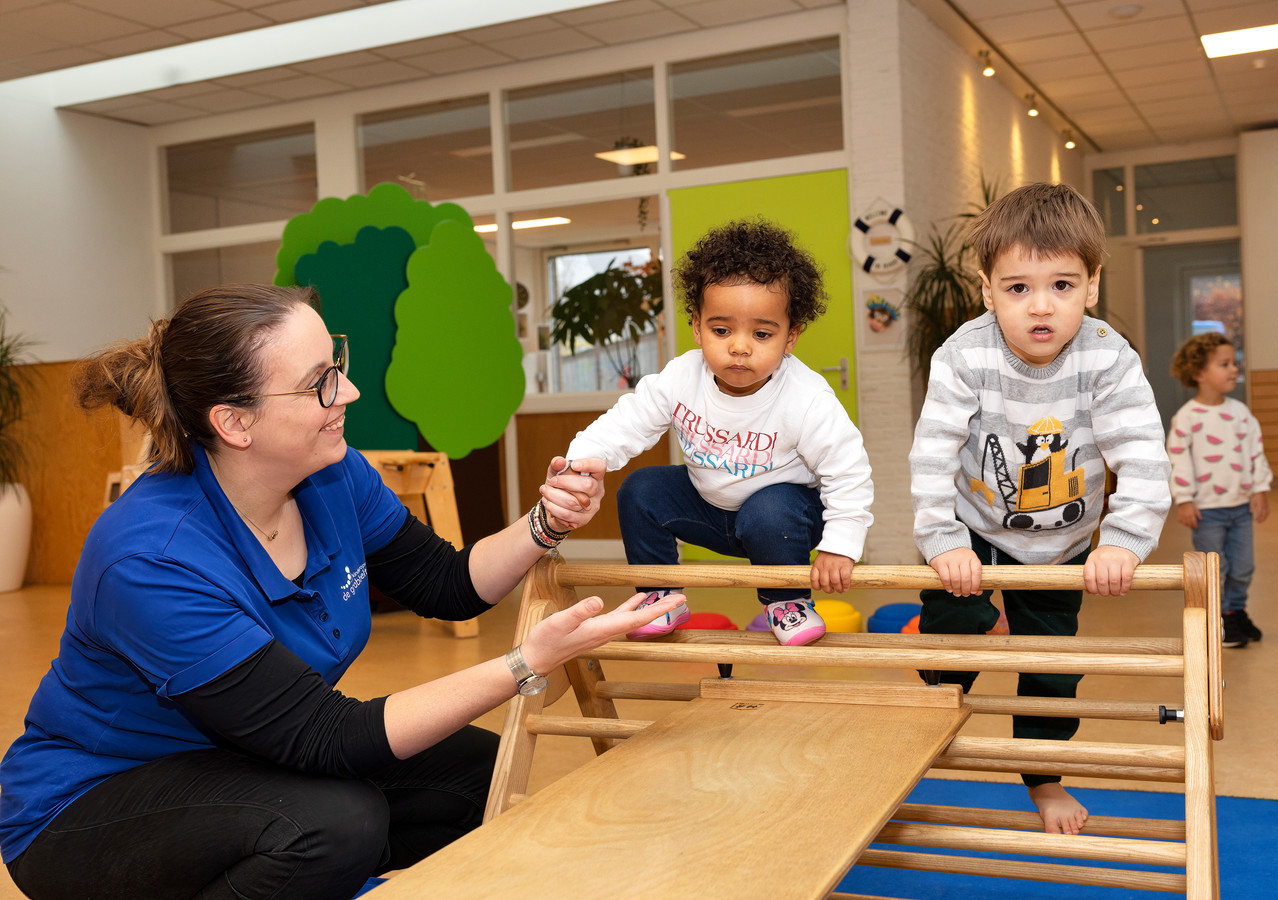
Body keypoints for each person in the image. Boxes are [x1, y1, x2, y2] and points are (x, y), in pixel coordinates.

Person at [0, 284, 680, 900]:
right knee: (331, 825)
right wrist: (523, 663)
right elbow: (330, 738)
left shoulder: (333, 474)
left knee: (480, 775)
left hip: (244, 758)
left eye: (338, 365)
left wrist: (546, 522)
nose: (348, 394)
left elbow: (446, 583)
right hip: (92, 805)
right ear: (235, 423)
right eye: (320, 384)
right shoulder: (151, 559)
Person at [908, 183, 1171, 835]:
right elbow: (932, 454)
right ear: (987, 289)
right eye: (1018, 288)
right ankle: (932, 703)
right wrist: (944, 540)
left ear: (1092, 286)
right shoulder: (964, 355)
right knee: (953, 635)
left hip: (1063, 539)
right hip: (972, 523)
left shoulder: (1107, 357)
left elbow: (1141, 454)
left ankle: (1045, 779)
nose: (1041, 307)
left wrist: (1123, 541)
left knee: (1052, 665)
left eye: (1062, 284)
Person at [566, 220, 874, 647]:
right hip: (709, 510)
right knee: (641, 488)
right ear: (697, 328)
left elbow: (848, 471)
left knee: (769, 508)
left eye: (762, 333)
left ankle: (787, 602)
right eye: (722, 330)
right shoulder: (681, 376)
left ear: (791, 338)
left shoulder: (805, 397)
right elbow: (628, 420)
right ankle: (660, 595)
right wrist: (582, 460)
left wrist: (841, 544)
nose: (740, 346)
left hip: (783, 521)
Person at [1166, 332, 1272, 648]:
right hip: (1207, 510)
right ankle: (1220, 620)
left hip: (1240, 507)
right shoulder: (1186, 418)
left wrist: (1260, 489)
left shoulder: (1241, 413)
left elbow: (1256, 451)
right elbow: (1178, 459)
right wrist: (1184, 500)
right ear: (1199, 373)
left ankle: (1235, 610)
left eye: (1234, 363)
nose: (1234, 369)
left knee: (1243, 567)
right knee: (1217, 568)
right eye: (1224, 364)